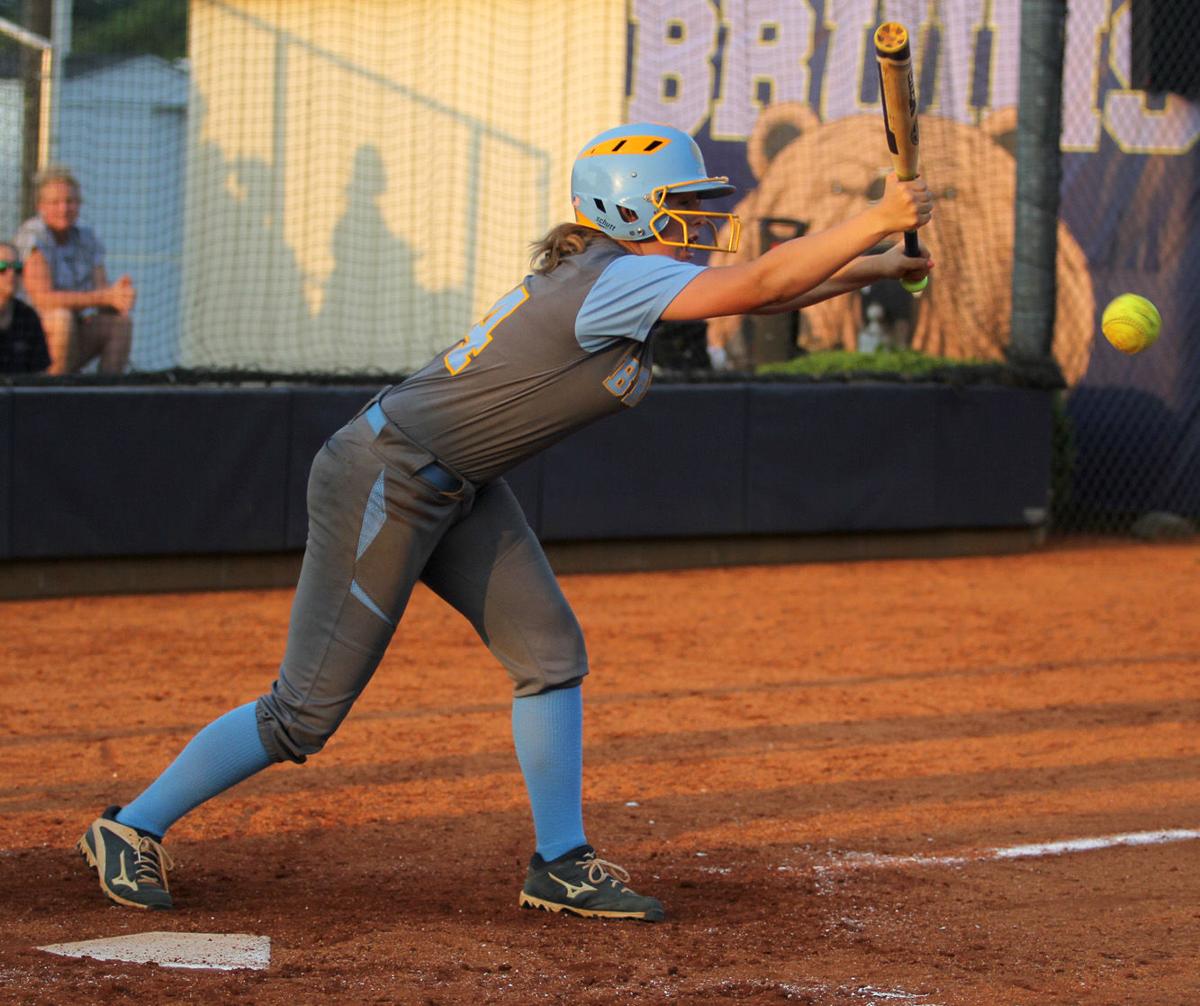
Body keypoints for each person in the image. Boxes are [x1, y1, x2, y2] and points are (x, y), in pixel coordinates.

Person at [76, 123, 932, 920]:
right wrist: (877, 218)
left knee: (551, 654)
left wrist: (877, 263)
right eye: (681, 206)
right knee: (304, 714)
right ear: (627, 207)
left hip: (456, 480)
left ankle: (560, 862)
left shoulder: (621, 273)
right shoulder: (615, 278)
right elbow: (765, 280)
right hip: (388, 476)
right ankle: (133, 827)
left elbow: (761, 297)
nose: (698, 221)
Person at [15, 166, 134, 374]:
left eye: (70, 201)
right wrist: (104, 297)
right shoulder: (33, 235)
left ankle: (108, 396)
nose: (64, 209)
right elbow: (43, 299)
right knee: (62, 319)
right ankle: (52, 393)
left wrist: (119, 297)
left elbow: (102, 296)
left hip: (74, 333)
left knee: (120, 325)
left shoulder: (86, 237)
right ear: (41, 206)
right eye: (55, 202)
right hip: (31, 339)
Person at [0, 242, 50, 374]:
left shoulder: (28, 317)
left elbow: (39, 373)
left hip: (20, 393)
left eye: (17, 268)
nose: (11, 275)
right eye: (2, 267)